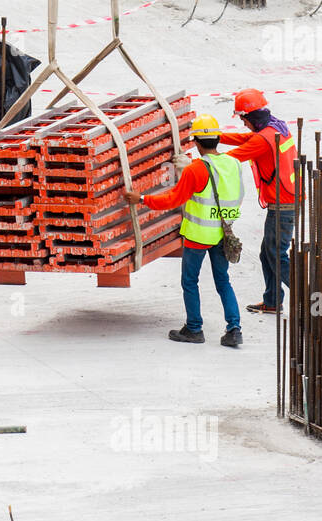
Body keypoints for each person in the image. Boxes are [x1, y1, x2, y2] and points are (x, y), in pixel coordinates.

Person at [124, 114, 245, 347]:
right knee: (223, 282)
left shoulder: (196, 170)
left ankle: (194, 329)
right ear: (218, 139)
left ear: (197, 143)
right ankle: (234, 328)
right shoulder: (233, 164)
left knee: (190, 281)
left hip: (198, 236)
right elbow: (239, 196)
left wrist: (141, 198)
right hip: (224, 233)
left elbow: (172, 199)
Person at [219, 89, 297, 315]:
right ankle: (272, 301)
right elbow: (246, 138)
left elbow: (231, 158)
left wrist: (201, 155)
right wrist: (216, 135)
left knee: (276, 253)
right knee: (268, 252)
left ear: (250, 116)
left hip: (283, 205)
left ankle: (310, 296)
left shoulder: (263, 139)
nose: (243, 124)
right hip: (285, 200)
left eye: (243, 119)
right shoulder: (275, 127)